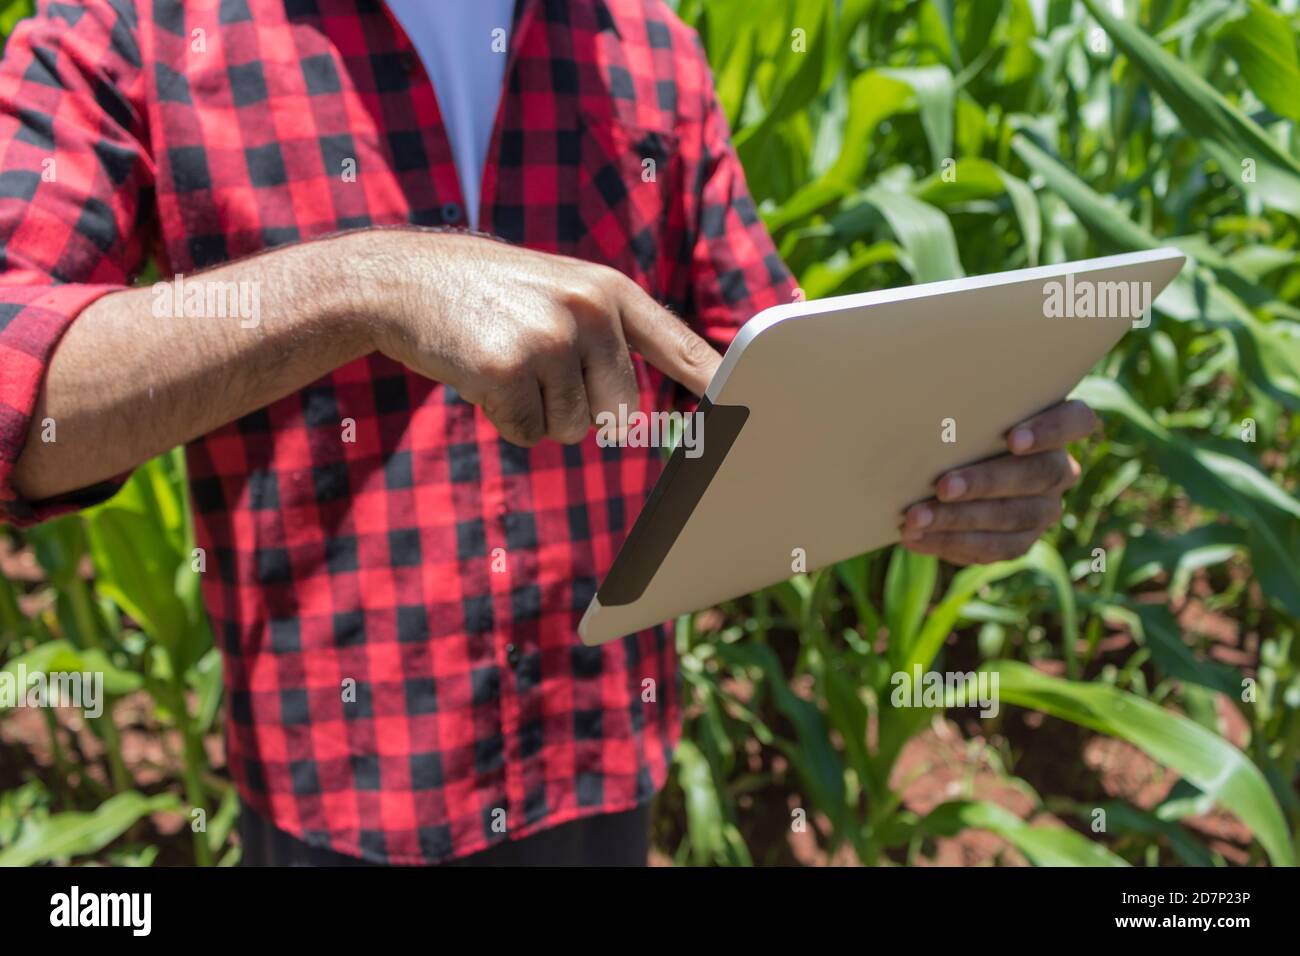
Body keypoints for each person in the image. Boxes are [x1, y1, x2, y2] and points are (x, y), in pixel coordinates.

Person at [0, 0, 1095, 866]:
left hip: (601, 758)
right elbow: (16, 372)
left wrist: (946, 457)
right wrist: (366, 282)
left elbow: (761, 367)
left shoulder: (647, 46)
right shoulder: (134, 26)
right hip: (341, 785)